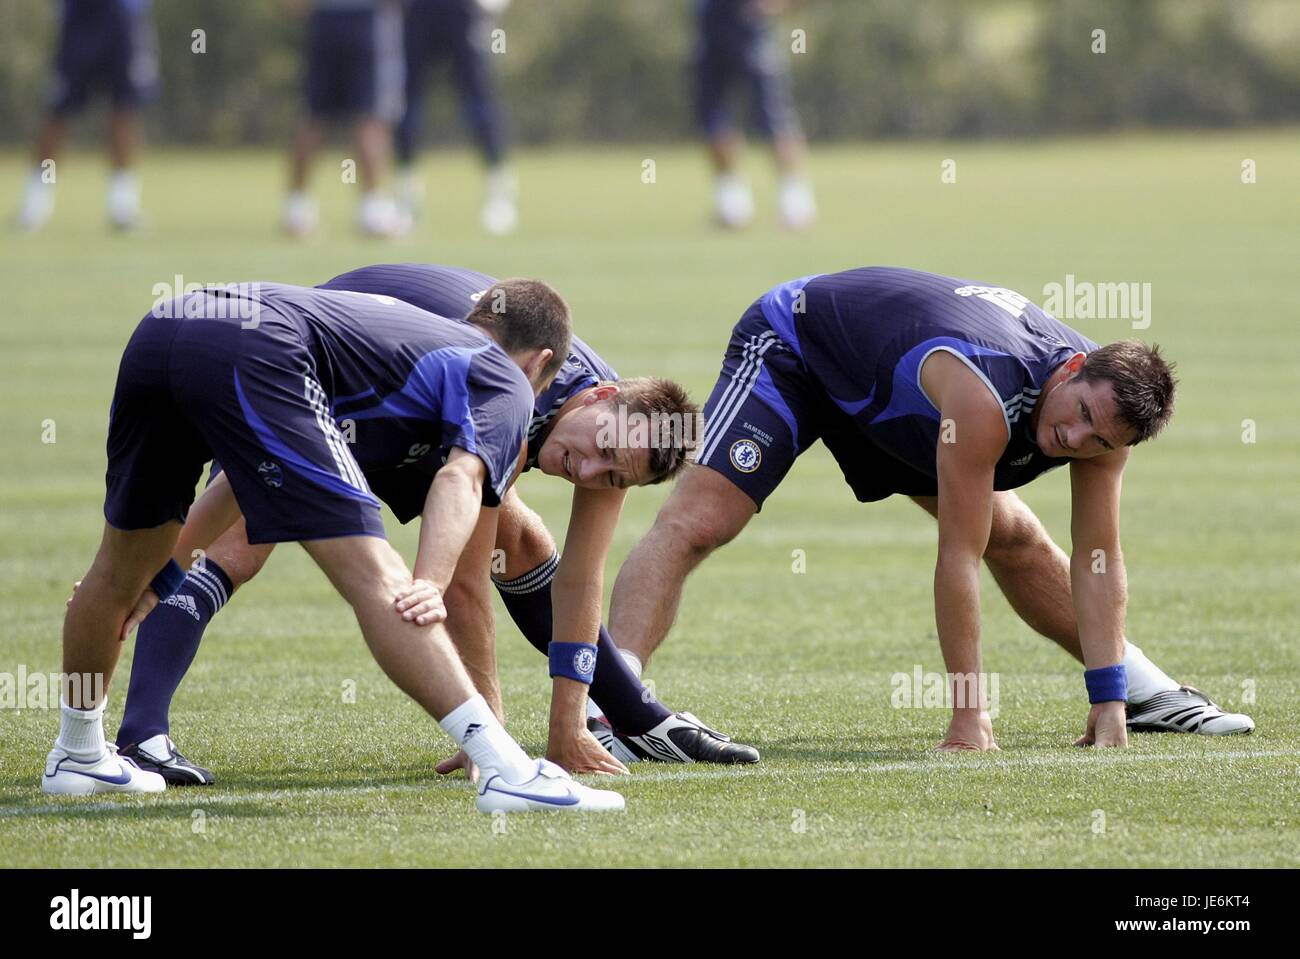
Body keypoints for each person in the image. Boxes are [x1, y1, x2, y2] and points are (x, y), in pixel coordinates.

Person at [112, 263, 757, 787]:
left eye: (613, 479)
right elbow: (465, 584)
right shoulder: (518, 387)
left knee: (525, 544)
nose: (589, 472)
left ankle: (631, 713)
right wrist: (492, 737)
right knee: (242, 537)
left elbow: (582, 581)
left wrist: (568, 729)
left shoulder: (621, 428)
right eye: (601, 454)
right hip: (333, 365)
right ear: (598, 397)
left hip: (395, 396)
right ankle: (142, 731)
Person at [604, 267, 1255, 754]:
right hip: (798, 348)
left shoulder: (1110, 423)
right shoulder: (986, 395)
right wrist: (970, 715)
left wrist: (1105, 695)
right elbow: (956, 558)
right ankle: (612, 709)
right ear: (1076, 367)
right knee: (701, 522)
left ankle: (1143, 691)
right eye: (1079, 414)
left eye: (1101, 440)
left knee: (1018, 537)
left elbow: (1098, 557)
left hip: (904, 407)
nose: (1076, 440)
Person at [45, 276, 626, 813]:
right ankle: (508, 773)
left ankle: (77, 753)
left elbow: (234, 486)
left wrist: (165, 574)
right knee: (376, 576)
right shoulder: (505, 376)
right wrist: (429, 582)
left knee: (118, 575)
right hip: (258, 343)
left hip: (167, 324)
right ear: (543, 362)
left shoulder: (395, 345)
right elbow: (458, 479)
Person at [16, 0, 159, 232]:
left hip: (124, 15)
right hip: (79, 18)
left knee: (125, 109)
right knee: (57, 111)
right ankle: (35, 204)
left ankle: (123, 206)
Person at [283, 0, 409, 238]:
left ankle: (296, 211)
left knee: (315, 116)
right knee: (370, 117)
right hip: (369, 19)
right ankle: (372, 211)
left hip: (324, 21)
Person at [395, 0, 517, 234]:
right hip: (417, 10)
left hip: (465, 9)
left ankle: (499, 195)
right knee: (407, 106)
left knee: (480, 104)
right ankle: (407, 198)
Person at [694, 0, 815, 230]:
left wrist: (776, 6)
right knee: (714, 121)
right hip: (710, 37)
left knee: (775, 121)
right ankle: (733, 206)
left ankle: (796, 204)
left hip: (754, 38)